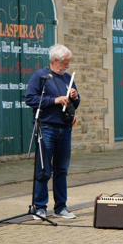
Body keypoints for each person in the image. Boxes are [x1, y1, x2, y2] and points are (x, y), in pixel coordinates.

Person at [25, 44, 80, 220]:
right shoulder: (41, 77)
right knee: (43, 169)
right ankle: (40, 207)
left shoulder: (68, 78)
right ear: (56, 61)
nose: (68, 66)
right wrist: (55, 100)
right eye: (66, 62)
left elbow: (74, 106)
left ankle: (61, 206)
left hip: (65, 128)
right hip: (47, 127)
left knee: (62, 169)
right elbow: (30, 99)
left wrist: (74, 97)